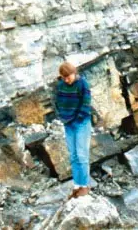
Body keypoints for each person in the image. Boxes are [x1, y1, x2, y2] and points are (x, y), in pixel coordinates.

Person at [53, 61, 94, 199]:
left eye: (68, 77)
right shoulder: (60, 86)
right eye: (63, 77)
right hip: (68, 123)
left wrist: (78, 117)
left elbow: (86, 103)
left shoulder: (82, 84)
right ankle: (77, 186)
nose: (66, 80)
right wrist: (61, 116)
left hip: (81, 123)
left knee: (82, 155)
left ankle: (85, 186)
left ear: (74, 73)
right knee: (73, 155)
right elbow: (56, 102)